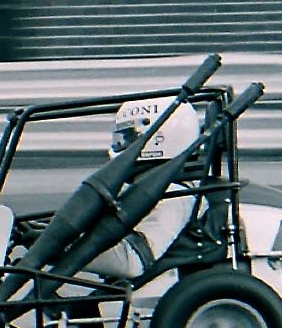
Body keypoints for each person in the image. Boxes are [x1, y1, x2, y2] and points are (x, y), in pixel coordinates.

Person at [83, 99, 203, 279]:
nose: (122, 145)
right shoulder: (153, 188)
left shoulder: (175, 195)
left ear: (157, 141)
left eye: (130, 138)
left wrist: (58, 249)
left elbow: (133, 262)